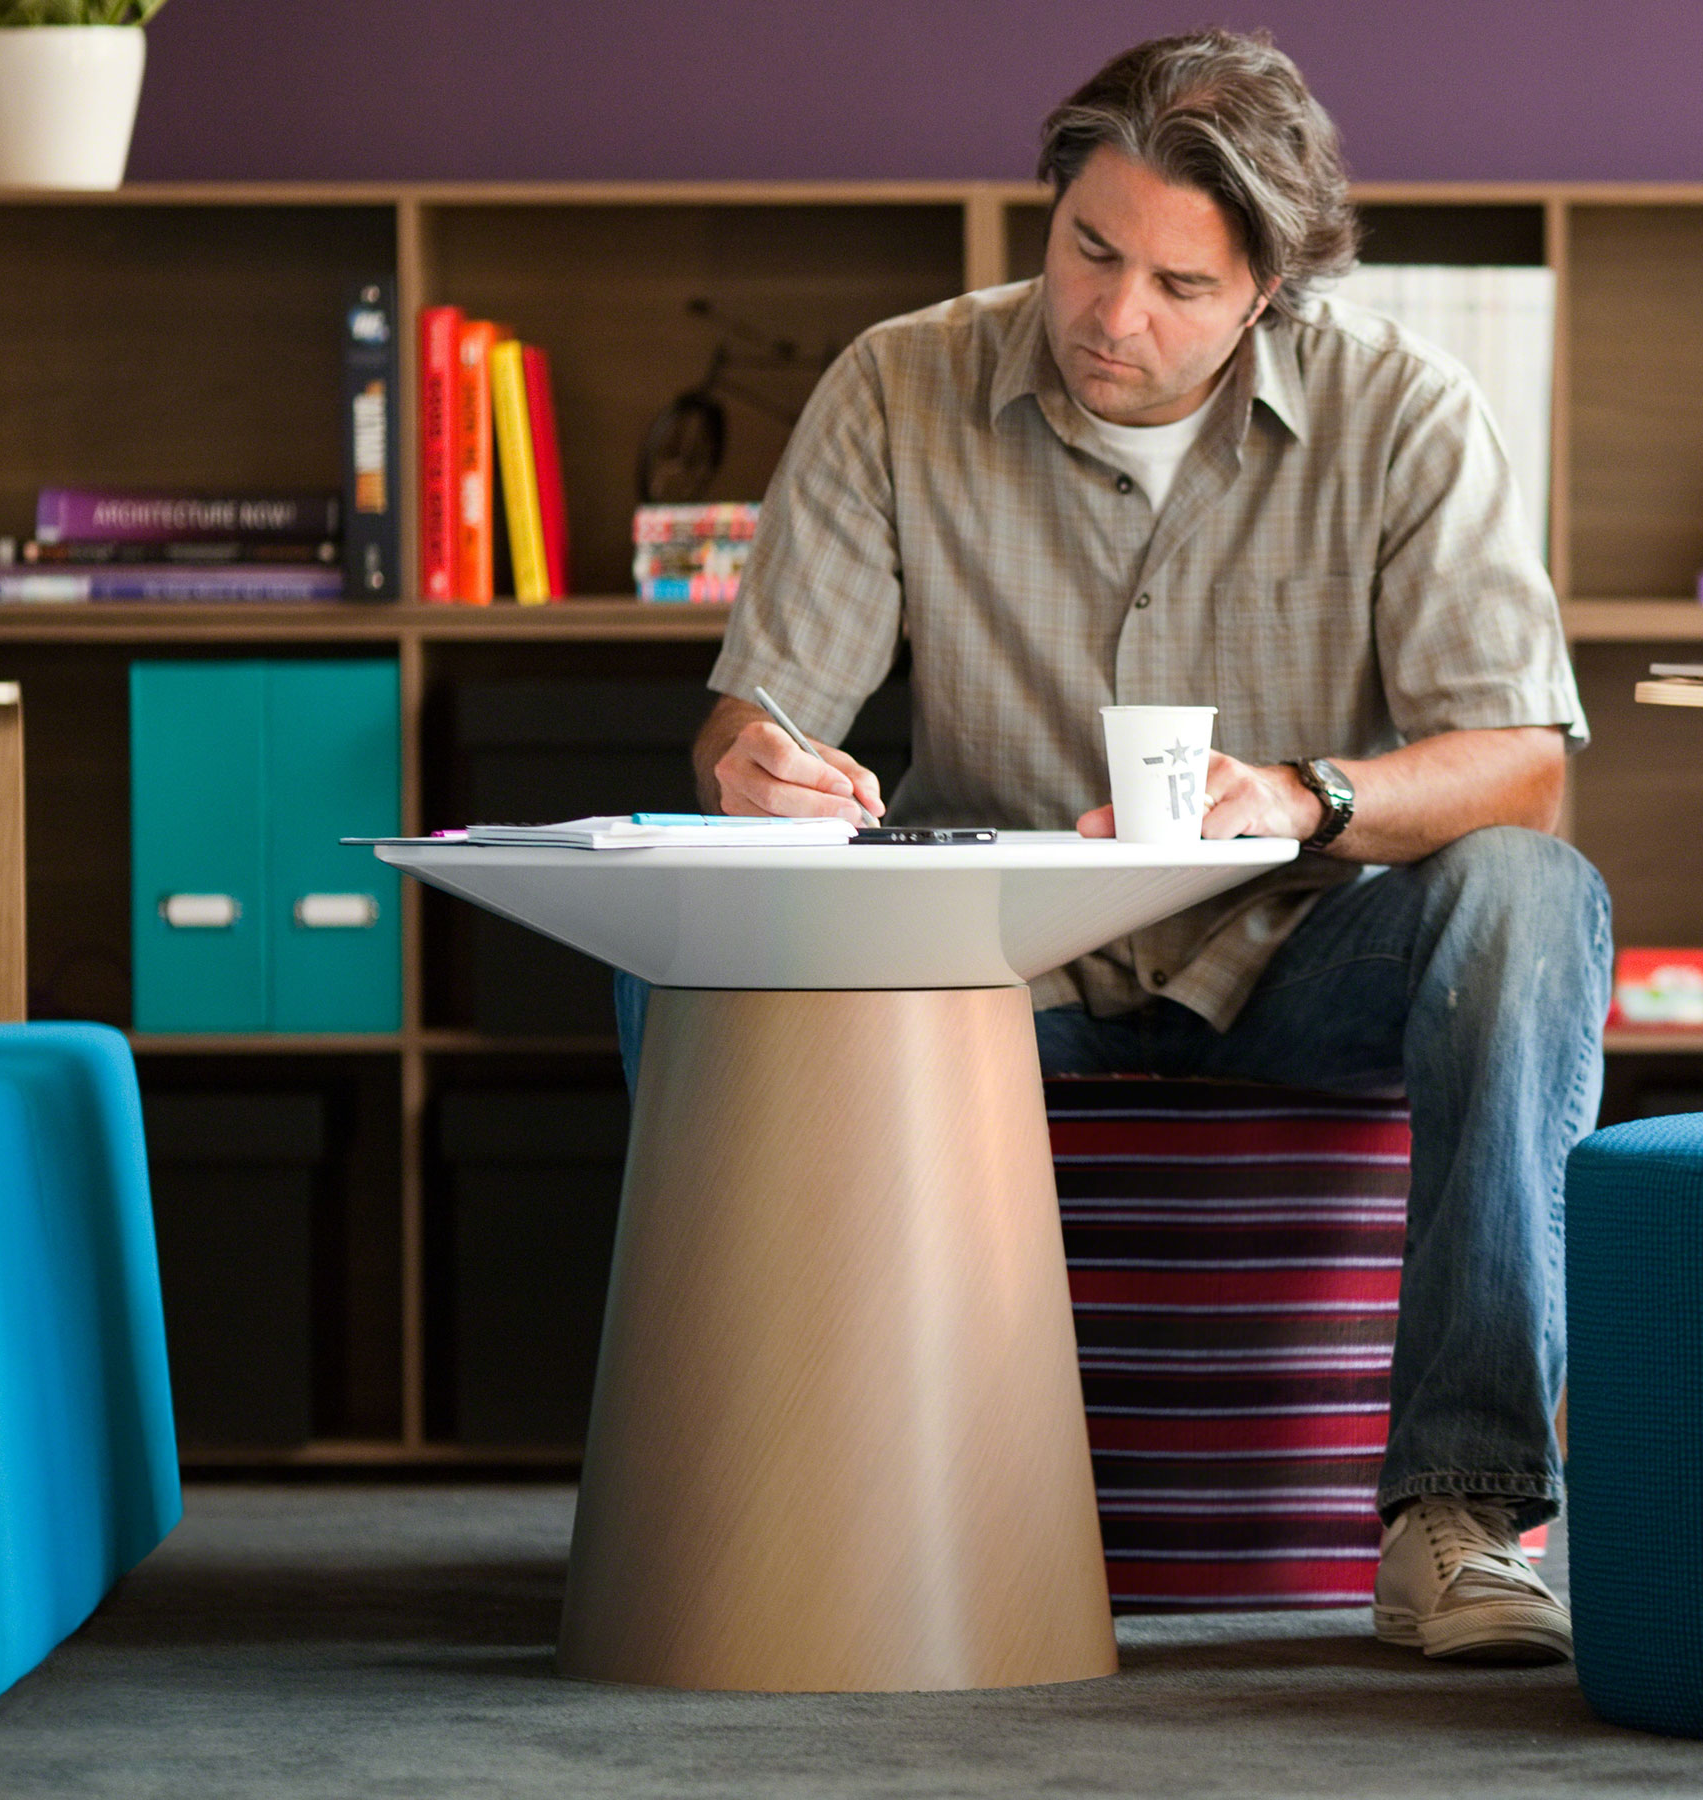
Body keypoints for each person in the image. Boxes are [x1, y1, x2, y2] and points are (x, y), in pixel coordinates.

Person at [631, 29, 1606, 1666]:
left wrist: (1308, 796)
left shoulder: (1404, 412)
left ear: (1271, 291)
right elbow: (751, 720)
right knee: (694, 926)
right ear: (1054, 207)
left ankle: (1460, 1516)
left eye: (1181, 284)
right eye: (1090, 249)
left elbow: (1520, 768)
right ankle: (767, 1498)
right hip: (995, 961)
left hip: (1301, 951)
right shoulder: (898, 383)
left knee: (1531, 899)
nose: (1115, 317)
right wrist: (762, 773)